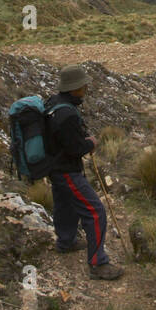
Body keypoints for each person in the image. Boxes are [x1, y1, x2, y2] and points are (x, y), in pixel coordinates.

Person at [44, 65, 124, 281]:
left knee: (65, 204)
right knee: (95, 211)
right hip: (67, 171)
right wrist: (90, 143)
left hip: (54, 168)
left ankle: (66, 241)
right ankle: (98, 264)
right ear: (74, 88)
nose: (85, 88)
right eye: (82, 86)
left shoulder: (54, 103)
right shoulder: (67, 114)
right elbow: (74, 148)